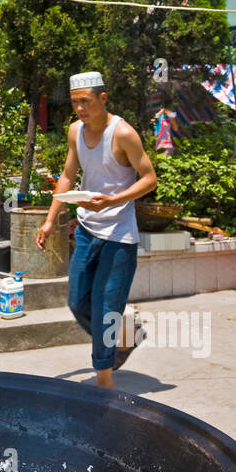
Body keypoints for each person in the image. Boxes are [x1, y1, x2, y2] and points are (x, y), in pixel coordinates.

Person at [35, 71, 158, 389]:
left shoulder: (124, 133)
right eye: (75, 102)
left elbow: (148, 178)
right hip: (87, 230)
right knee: (77, 301)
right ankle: (122, 338)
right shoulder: (75, 131)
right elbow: (67, 174)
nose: (79, 108)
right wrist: (50, 220)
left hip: (118, 237)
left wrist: (113, 200)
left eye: (85, 102)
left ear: (103, 99)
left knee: (106, 307)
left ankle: (104, 378)